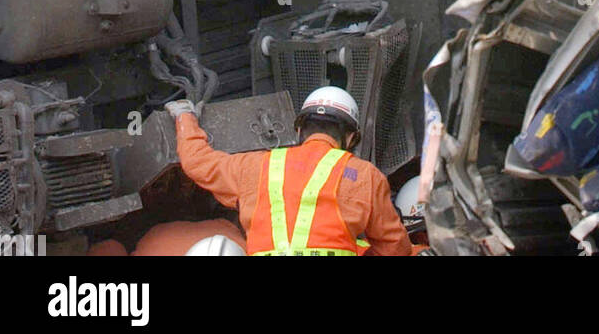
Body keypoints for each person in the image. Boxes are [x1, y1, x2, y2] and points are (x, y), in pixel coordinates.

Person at [166, 86, 413, 256]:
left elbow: (197, 162)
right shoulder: (365, 175)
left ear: (298, 131)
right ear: (350, 138)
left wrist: (185, 117)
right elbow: (394, 247)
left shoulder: (255, 166)